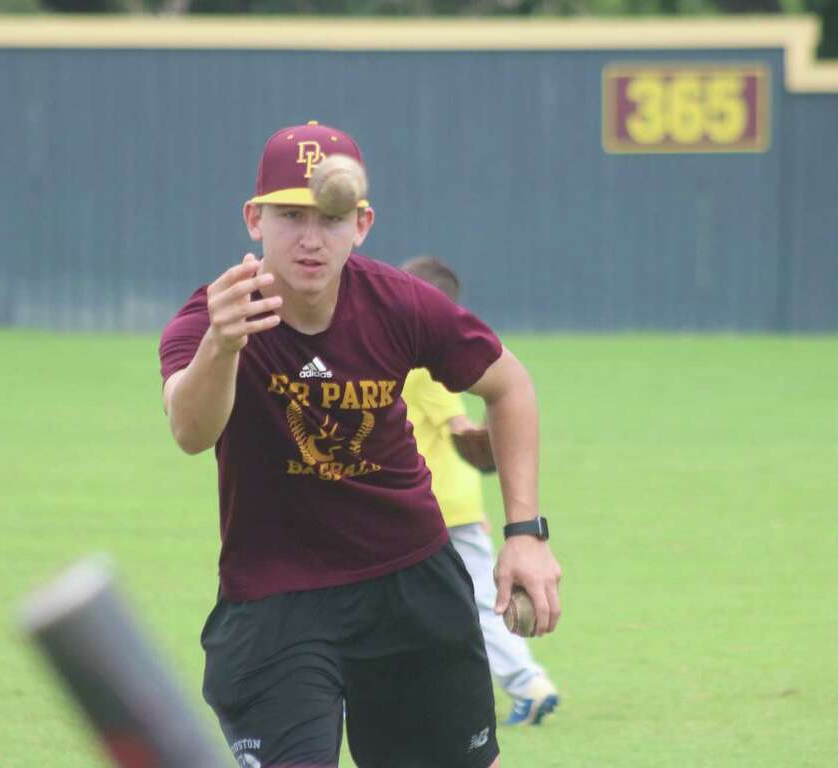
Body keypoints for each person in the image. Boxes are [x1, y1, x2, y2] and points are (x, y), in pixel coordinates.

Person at [158, 121, 561, 768]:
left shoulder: (402, 305)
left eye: (332, 216)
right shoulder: (212, 317)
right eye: (291, 215)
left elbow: (510, 386)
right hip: (273, 598)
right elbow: (190, 431)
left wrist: (524, 533)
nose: (312, 238)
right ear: (254, 219)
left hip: (408, 584)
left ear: (362, 223)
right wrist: (222, 345)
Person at [400, 256, 561, 728]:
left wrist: (488, 433)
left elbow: (460, 429)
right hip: (453, 506)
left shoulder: (415, 369)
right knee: (440, 605)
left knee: (481, 603)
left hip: (432, 509)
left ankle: (528, 684)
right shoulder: (423, 364)